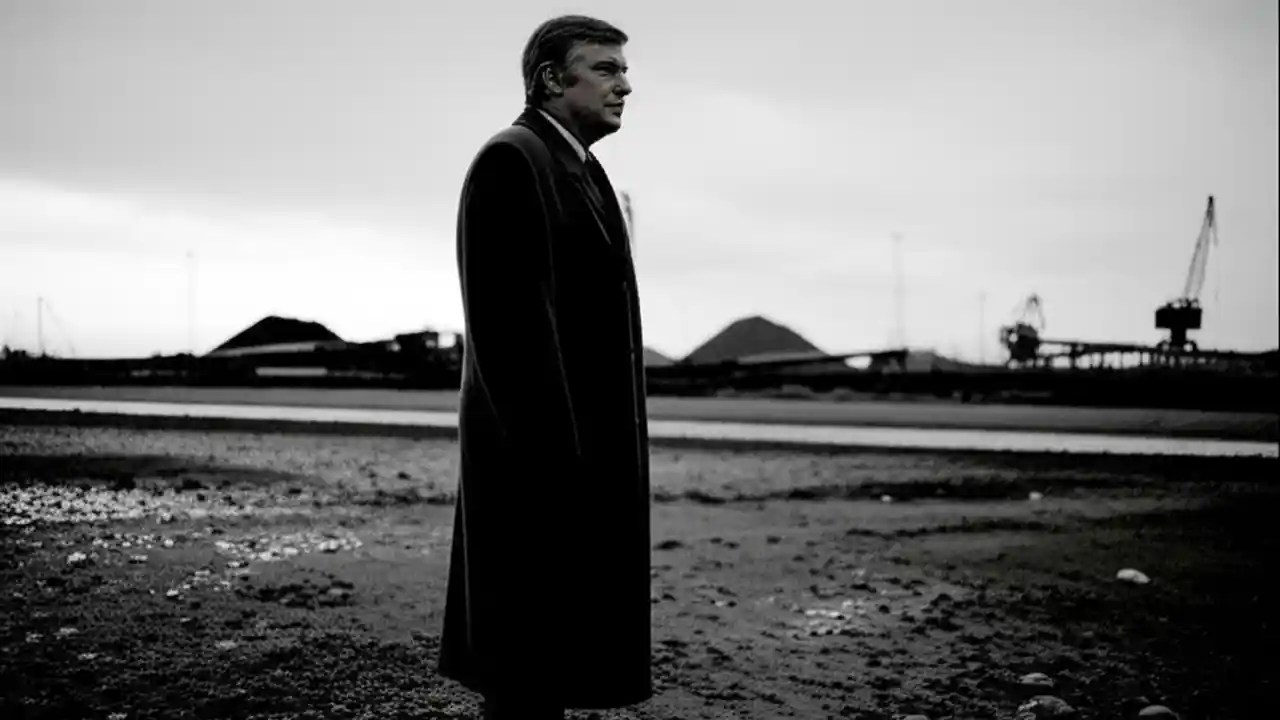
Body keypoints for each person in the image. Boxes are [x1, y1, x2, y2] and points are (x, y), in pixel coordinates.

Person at [437, 14, 651, 720]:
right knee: (524, 671)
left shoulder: (579, 166)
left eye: (624, 69)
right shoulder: (513, 159)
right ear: (551, 80)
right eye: (607, 69)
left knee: (546, 668)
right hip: (538, 472)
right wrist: (564, 470)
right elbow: (510, 339)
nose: (627, 84)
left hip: (574, 465)